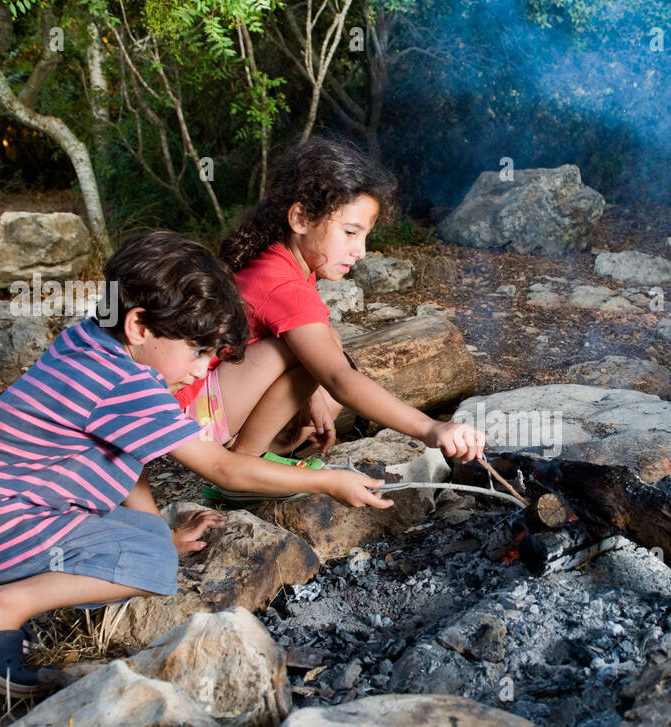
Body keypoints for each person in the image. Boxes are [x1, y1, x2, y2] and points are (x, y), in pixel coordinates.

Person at [0, 231, 392, 698]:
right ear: (140, 326)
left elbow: (127, 455)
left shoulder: (89, 344)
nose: (202, 369)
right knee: (153, 563)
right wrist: (329, 481)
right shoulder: (127, 384)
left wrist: (154, 527)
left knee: (152, 539)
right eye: (198, 351)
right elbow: (224, 469)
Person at [173, 135, 485, 486]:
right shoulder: (283, 284)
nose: (361, 250)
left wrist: (315, 397)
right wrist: (429, 427)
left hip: (215, 403)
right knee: (315, 361)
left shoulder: (286, 256)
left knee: (326, 346)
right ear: (300, 218)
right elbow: (339, 379)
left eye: (364, 235)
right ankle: (243, 465)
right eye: (351, 232)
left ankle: (250, 452)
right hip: (191, 414)